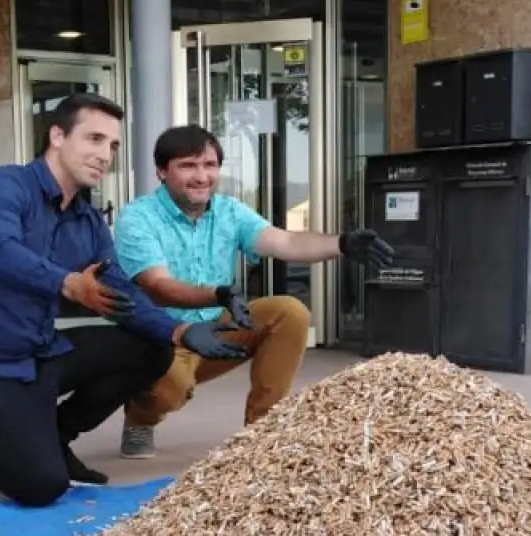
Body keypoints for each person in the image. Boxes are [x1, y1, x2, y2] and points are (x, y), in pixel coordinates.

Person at [0, 94, 249, 507]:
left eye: (113, 145)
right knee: (41, 486)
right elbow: (0, 252)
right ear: (57, 136)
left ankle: (56, 436)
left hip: (37, 353)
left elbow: (121, 292)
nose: (105, 155)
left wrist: (181, 330)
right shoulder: (4, 187)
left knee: (150, 348)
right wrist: (68, 283)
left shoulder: (86, 221)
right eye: (94, 139)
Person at [111, 124, 394, 458]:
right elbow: (159, 287)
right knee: (170, 391)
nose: (201, 177)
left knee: (289, 312)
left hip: (218, 326)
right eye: (187, 166)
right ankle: (140, 419)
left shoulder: (229, 210)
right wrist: (217, 294)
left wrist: (341, 244)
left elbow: (285, 242)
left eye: (209, 165)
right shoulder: (138, 218)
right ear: (161, 171)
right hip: (165, 337)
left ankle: (262, 434)